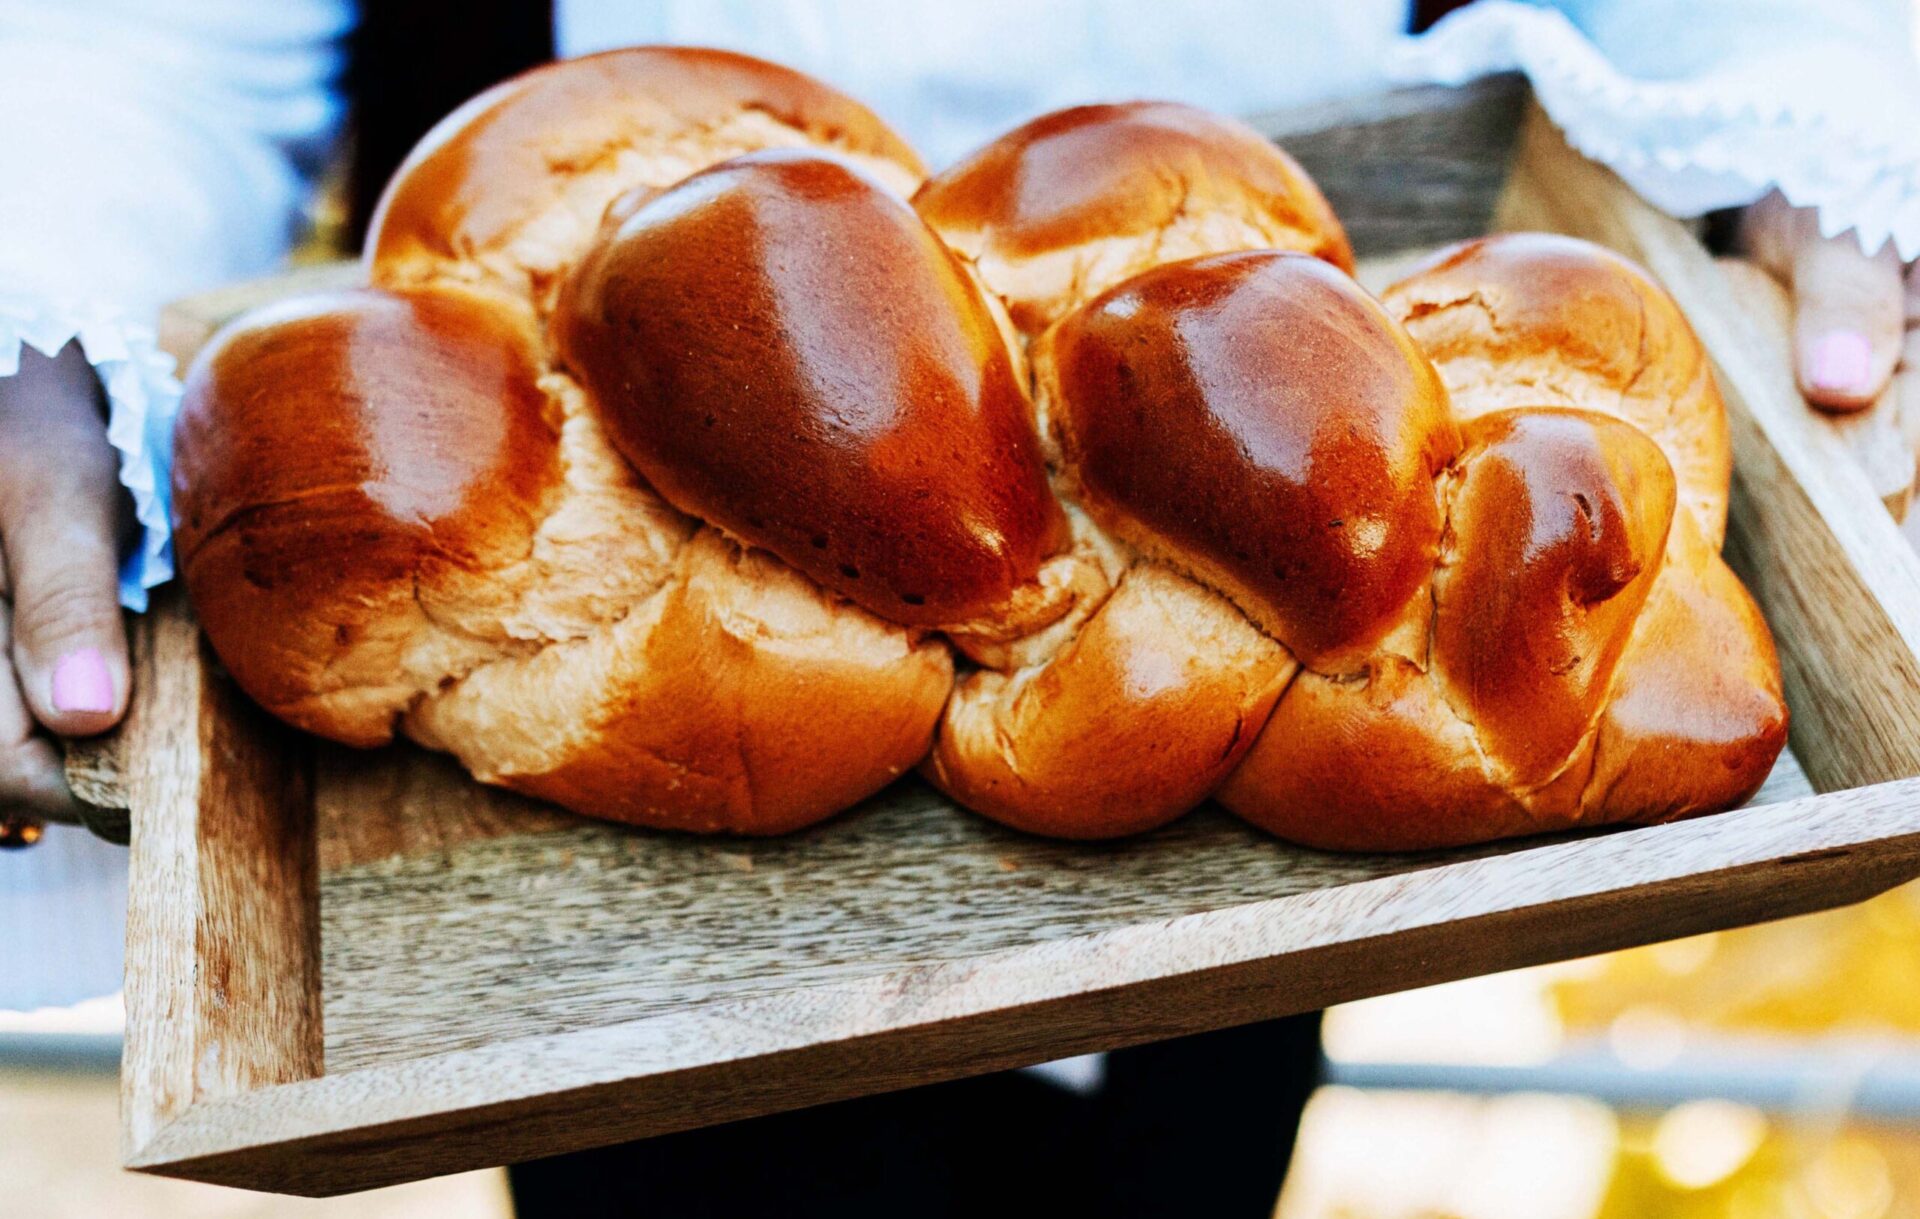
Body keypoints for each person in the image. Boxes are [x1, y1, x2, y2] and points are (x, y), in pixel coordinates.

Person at [2, 2, 1917, 1214]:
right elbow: (145, 35)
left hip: (1252, 840)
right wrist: (35, 298)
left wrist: (1825, 114)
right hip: (649, 988)